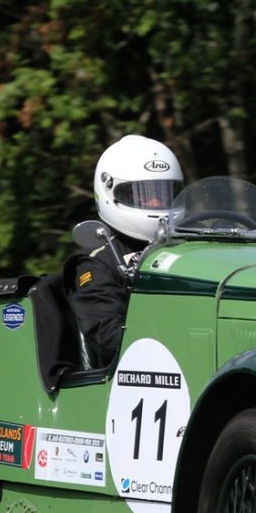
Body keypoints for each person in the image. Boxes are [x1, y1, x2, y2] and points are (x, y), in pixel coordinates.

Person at [70, 135, 184, 367]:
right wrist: (179, 342)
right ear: (110, 192)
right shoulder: (99, 263)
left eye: (163, 193)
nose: (156, 202)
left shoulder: (189, 248)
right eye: (143, 194)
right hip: (144, 370)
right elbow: (108, 338)